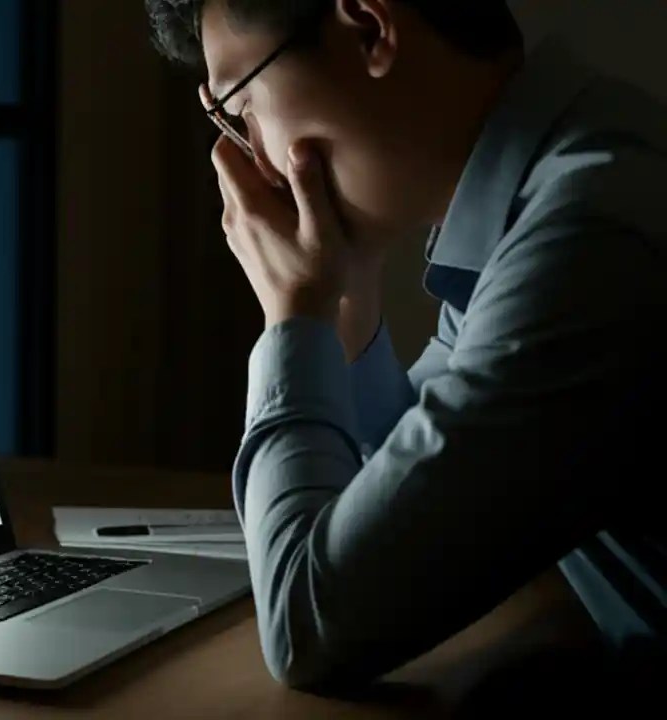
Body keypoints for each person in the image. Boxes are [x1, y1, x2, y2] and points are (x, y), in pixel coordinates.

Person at [144, 0, 667, 691]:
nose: (259, 162)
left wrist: (292, 314)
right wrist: (346, 299)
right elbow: (406, 505)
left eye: (244, 109)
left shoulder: (587, 237)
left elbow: (311, 627)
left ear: (370, 29)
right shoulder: (547, 186)